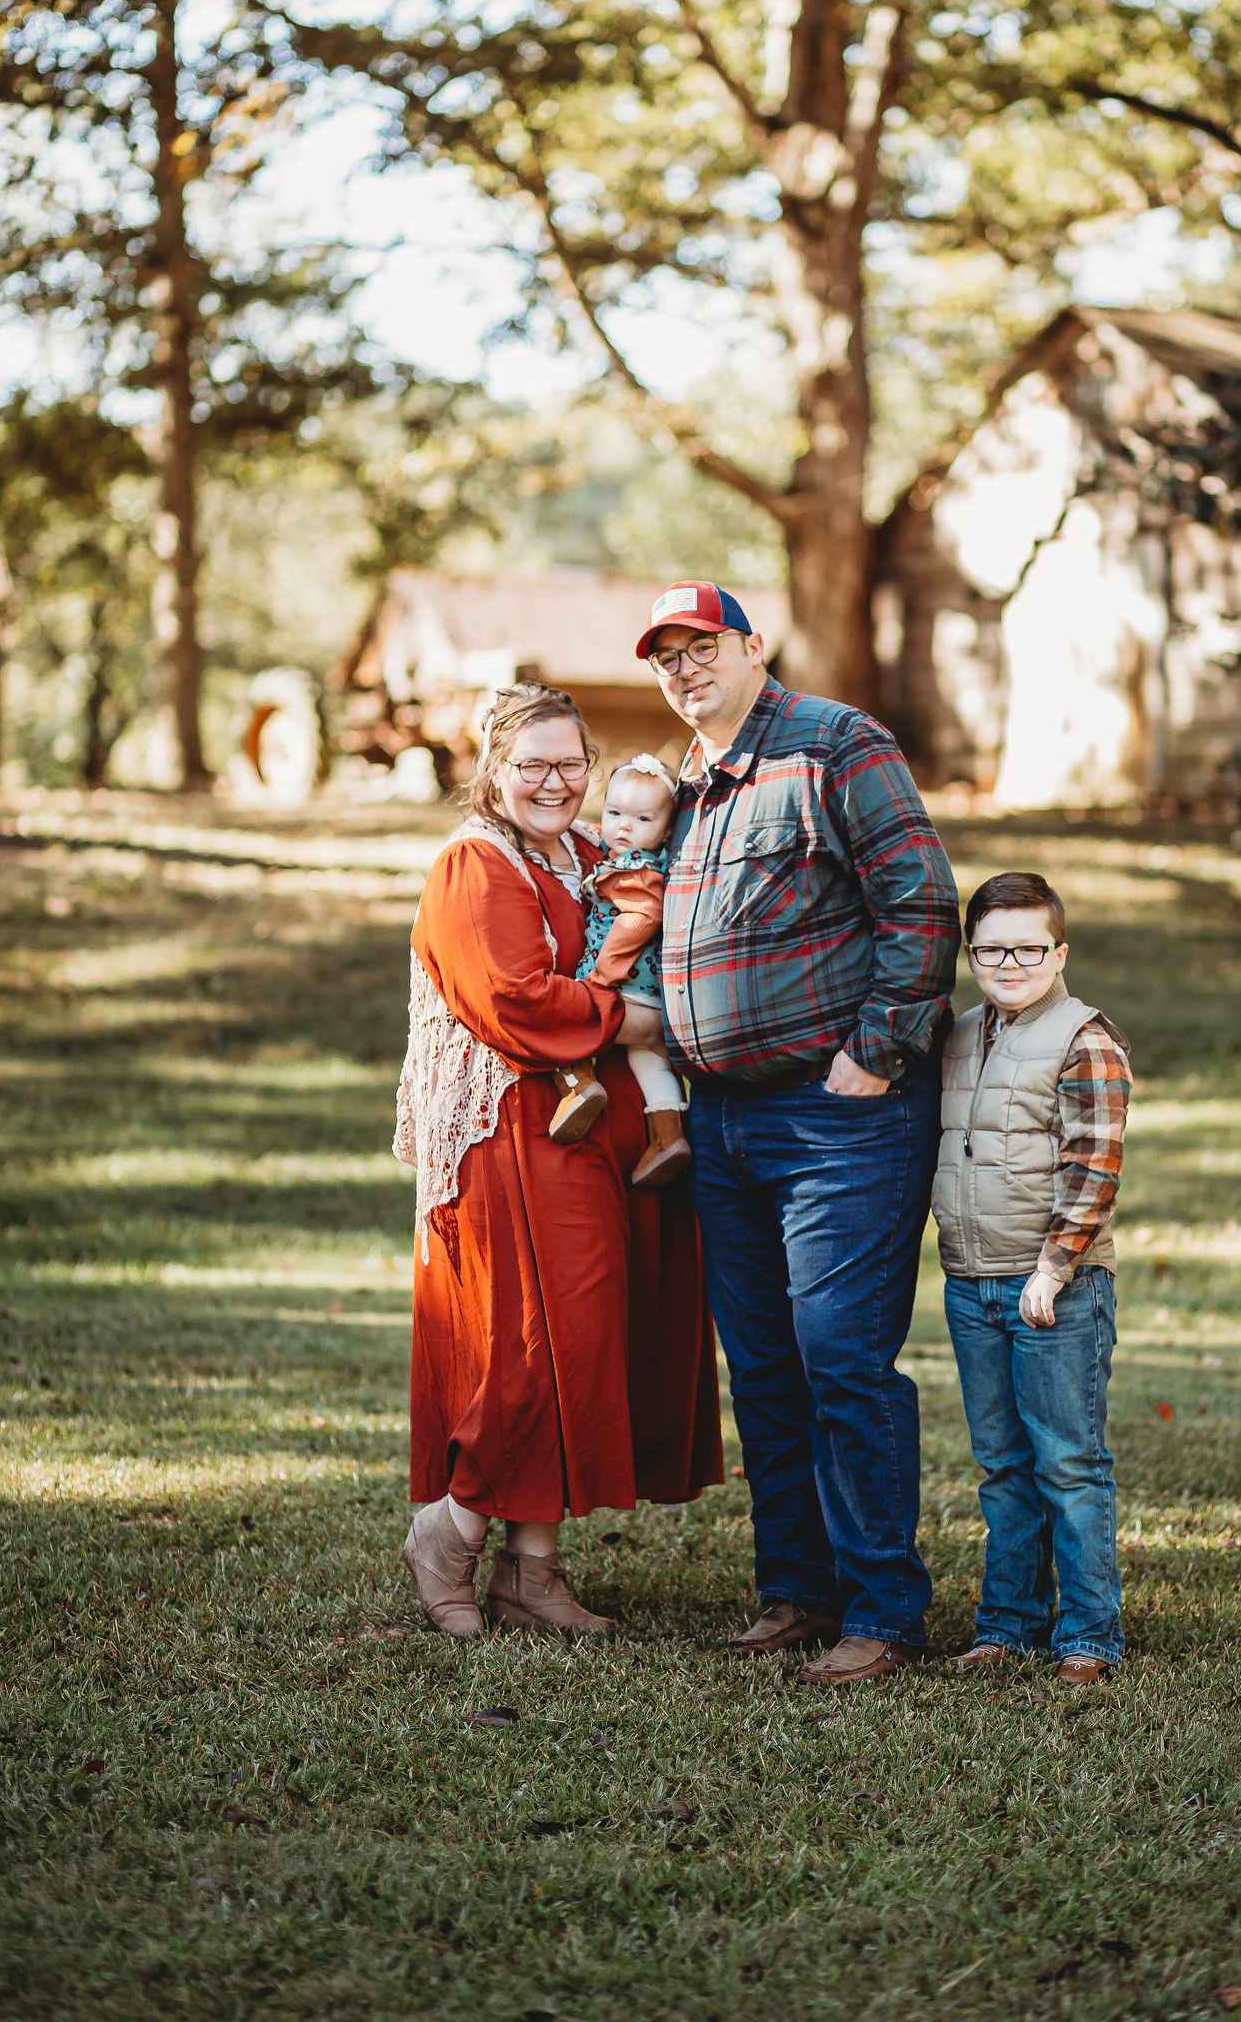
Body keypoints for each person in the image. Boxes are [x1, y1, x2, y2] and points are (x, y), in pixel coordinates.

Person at [638, 581, 961, 1685]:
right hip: (720, 1123)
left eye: (701, 648)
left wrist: (874, 1053)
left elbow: (919, 901)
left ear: (751, 646)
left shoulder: (833, 744)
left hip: (837, 1117)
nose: (684, 671)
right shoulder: (687, 784)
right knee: (766, 1370)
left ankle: (883, 1610)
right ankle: (797, 1592)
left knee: (840, 1362)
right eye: (665, 658)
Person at [394, 684, 722, 1641]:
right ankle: (447, 1532)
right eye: (531, 763)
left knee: (592, 1339)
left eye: (569, 763)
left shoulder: (591, 855)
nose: (553, 781)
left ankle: (531, 1573)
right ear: (493, 769)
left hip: (591, 1134)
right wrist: (638, 1020)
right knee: (532, 1346)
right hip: (509, 1135)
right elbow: (515, 1001)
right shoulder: (473, 866)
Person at [934, 869, 1131, 1686]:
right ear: (970, 953)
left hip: (1053, 1288)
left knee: (1069, 1465)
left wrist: (1053, 1269)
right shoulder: (957, 1032)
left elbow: (1093, 1166)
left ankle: (1088, 1636)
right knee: (1001, 1466)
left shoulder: (1086, 1039)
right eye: (989, 949)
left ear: (1059, 952)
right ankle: (1007, 1626)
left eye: (1026, 948)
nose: (1008, 963)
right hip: (970, 1281)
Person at [548, 754, 691, 1190]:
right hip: (651, 988)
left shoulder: (634, 870)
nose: (624, 827)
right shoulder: (649, 864)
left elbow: (641, 918)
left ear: (666, 830)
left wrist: (603, 974)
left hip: (624, 981)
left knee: (570, 1028)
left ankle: (579, 1085)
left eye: (642, 818)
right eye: (615, 813)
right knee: (648, 1062)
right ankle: (668, 1137)